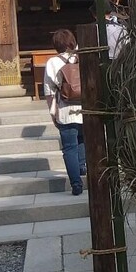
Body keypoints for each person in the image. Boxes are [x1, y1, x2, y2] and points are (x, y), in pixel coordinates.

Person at [44, 29, 85, 196]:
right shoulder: (83, 58)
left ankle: (76, 183)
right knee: (82, 139)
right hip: (85, 108)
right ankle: (81, 166)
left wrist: (52, 113)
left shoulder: (53, 62)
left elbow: (49, 91)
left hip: (65, 110)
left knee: (69, 148)